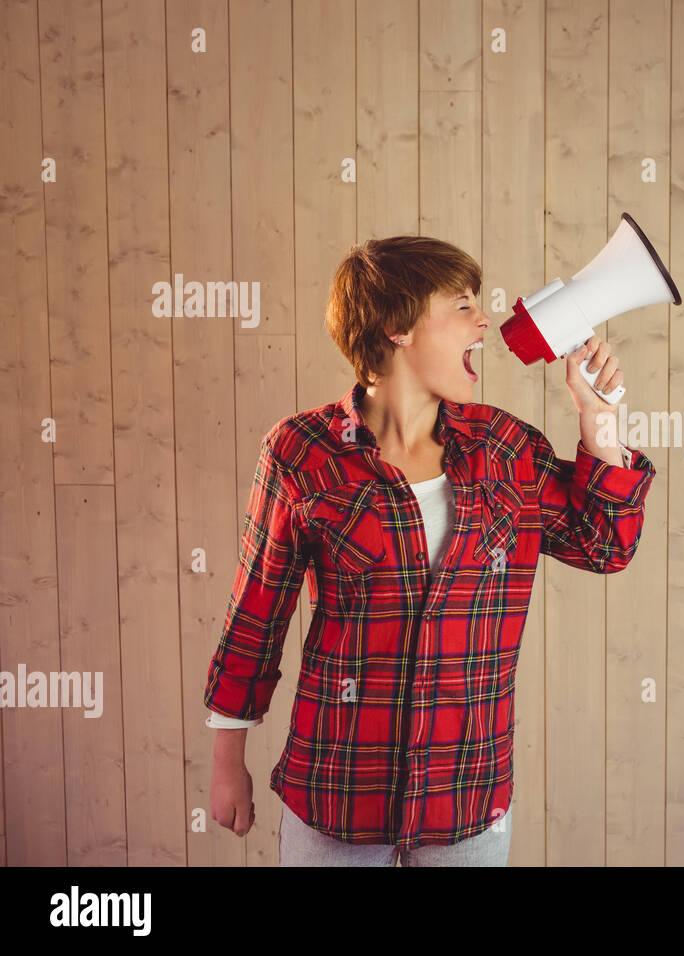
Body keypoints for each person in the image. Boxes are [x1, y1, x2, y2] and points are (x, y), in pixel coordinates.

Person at [203, 236, 655, 865]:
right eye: (464, 305)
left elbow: (604, 545)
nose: (486, 321)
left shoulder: (505, 449)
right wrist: (229, 768)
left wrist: (598, 417)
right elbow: (255, 614)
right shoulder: (300, 450)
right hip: (338, 788)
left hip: (467, 795)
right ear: (396, 326)